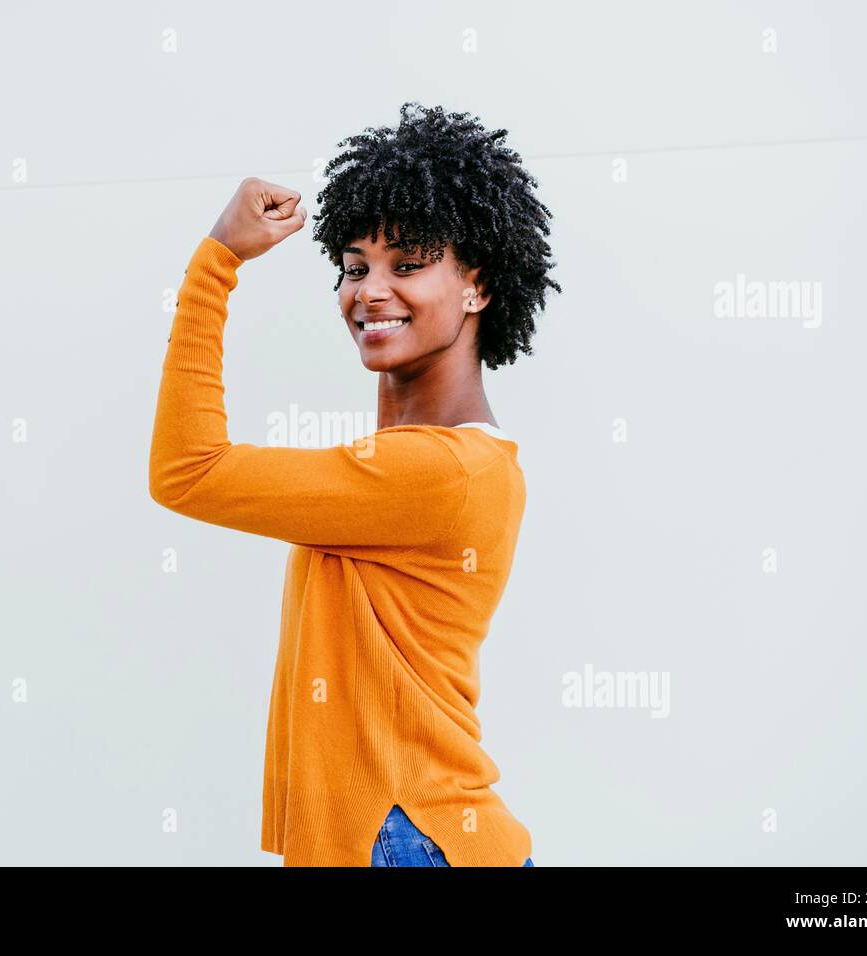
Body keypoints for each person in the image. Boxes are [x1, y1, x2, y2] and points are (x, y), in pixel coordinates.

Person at [150, 102, 561, 866]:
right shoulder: (438, 466)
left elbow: (188, 470)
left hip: (408, 841)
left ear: (478, 286)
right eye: (354, 266)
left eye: (408, 265)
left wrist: (217, 262)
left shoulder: (436, 475)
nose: (369, 290)